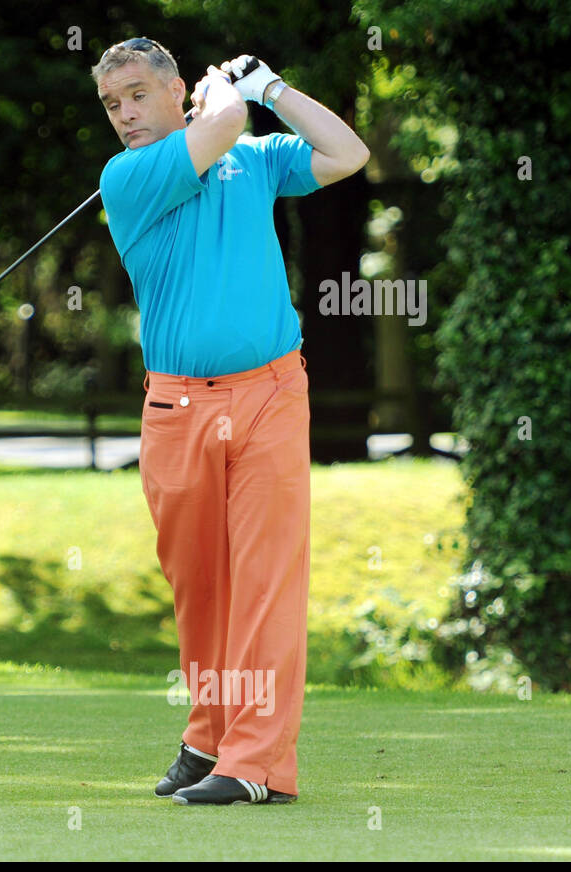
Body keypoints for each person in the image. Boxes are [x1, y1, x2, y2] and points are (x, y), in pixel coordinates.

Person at [93, 39, 368, 803]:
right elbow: (216, 127)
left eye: (140, 95)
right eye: (113, 104)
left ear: (175, 88)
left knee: (265, 581)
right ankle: (208, 735)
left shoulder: (254, 158)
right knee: (202, 589)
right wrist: (229, 95)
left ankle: (255, 764)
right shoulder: (130, 176)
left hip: (273, 395)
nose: (126, 116)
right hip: (178, 407)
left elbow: (346, 152)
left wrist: (271, 87)